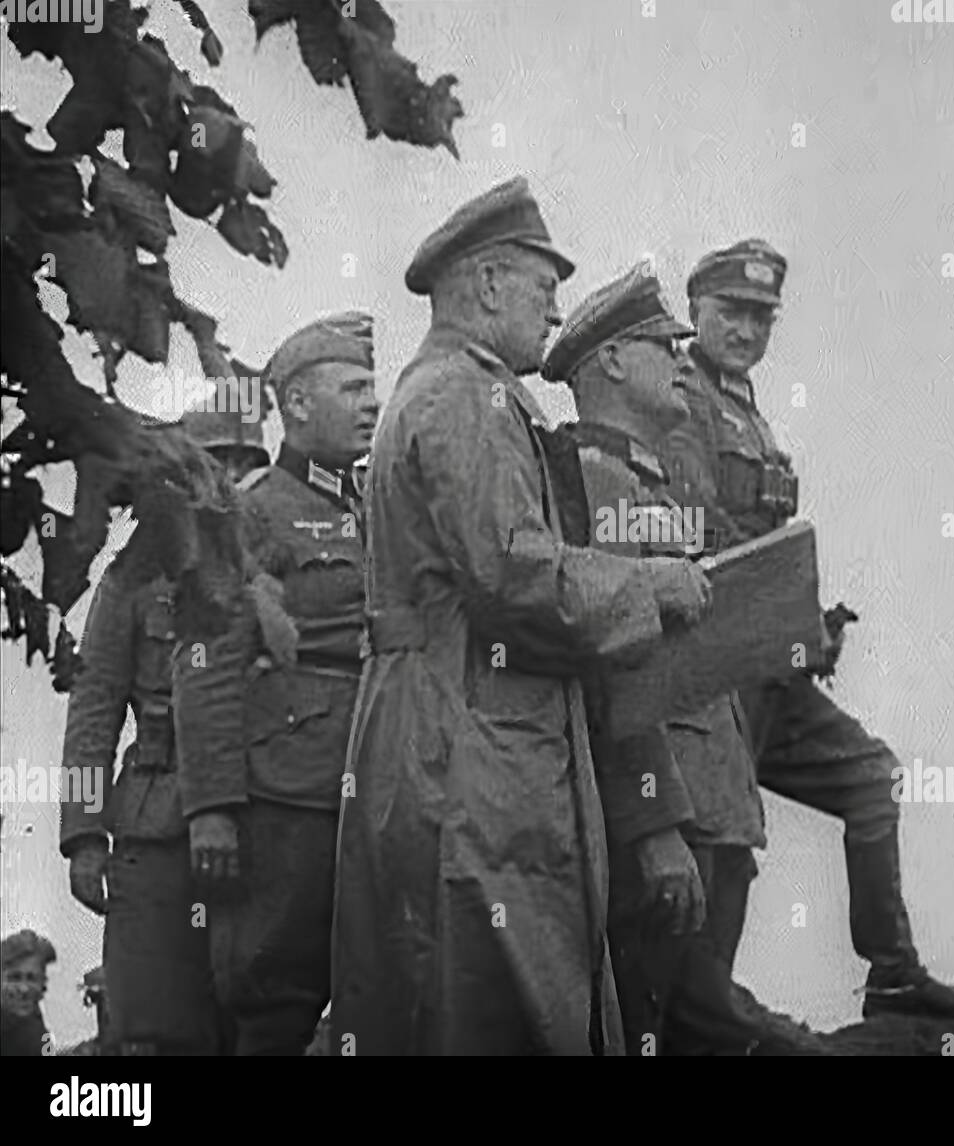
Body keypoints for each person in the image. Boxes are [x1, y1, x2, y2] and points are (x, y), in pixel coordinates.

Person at [330, 176, 712, 1056]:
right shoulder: (469, 396)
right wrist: (650, 586)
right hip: (469, 742)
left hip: (447, 725)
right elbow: (514, 576)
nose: (554, 308)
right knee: (498, 998)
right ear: (489, 283)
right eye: (543, 286)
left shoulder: (447, 391)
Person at [665, 238, 954, 1018]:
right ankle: (699, 1024)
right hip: (715, 678)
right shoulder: (678, 401)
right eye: (730, 313)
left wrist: (810, 623)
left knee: (870, 779)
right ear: (694, 310)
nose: (746, 331)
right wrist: (791, 614)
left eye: (761, 318)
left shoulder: (746, 407)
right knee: (722, 855)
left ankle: (894, 971)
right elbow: (698, 540)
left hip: (770, 669)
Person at [542, 261, 776, 1055]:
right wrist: (653, 827)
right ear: (608, 362)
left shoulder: (661, 489)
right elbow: (620, 667)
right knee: (657, 1028)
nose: (684, 361)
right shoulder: (597, 481)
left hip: (712, 800)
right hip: (667, 809)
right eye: (660, 346)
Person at [172, 313, 377, 1055]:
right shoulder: (249, 511)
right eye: (352, 387)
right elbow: (203, 664)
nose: (372, 403)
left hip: (376, 780)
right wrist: (214, 809)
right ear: (295, 405)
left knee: (374, 989)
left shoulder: (376, 507)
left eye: (372, 386)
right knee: (274, 996)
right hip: (289, 792)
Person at [57, 408, 268, 1056]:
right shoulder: (133, 577)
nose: (222, 479)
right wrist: (85, 836)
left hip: (259, 815)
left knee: (257, 1018)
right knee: (154, 1024)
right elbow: (94, 708)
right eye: (210, 464)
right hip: (156, 829)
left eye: (237, 463)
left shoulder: (273, 567)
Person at [0, 930, 57, 1056]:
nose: (24, 989)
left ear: (43, 984)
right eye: (14, 978)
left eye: (32, 979)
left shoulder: (38, 1027)